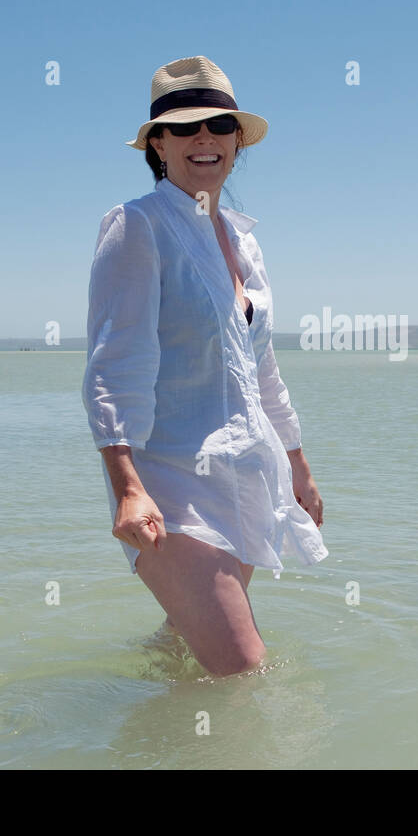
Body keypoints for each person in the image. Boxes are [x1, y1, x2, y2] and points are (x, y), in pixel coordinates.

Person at [82, 56, 328, 677]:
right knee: (245, 672)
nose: (204, 139)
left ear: (237, 142)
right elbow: (113, 368)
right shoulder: (137, 226)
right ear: (157, 144)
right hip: (171, 487)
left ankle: (144, 741)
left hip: (245, 476)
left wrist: (297, 463)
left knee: (182, 655)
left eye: (220, 127)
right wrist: (128, 487)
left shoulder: (245, 241)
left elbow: (262, 366)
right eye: (184, 127)